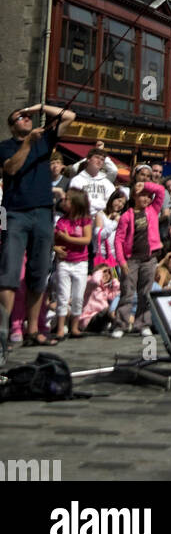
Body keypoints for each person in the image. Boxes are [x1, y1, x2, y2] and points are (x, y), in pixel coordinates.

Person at [0, 102, 77, 351]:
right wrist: (28, 143)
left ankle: (33, 329)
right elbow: (11, 168)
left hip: (44, 212)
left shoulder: (45, 141)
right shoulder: (6, 146)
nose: (25, 119)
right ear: (12, 126)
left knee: (38, 274)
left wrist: (40, 107)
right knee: (9, 274)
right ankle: (4, 332)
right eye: (20, 117)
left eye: (27, 117)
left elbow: (70, 116)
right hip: (15, 213)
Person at [113, 179, 166, 337]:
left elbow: (161, 191)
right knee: (127, 292)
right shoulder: (126, 216)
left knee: (146, 293)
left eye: (148, 196)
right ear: (134, 197)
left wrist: (145, 185)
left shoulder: (153, 210)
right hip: (131, 259)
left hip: (149, 258)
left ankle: (142, 323)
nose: (145, 199)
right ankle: (120, 324)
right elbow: (118, 240)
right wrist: (121, 261)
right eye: (142, 195)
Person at [52, 188, 93, 340]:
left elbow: (87, 240)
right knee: (62, 296)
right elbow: (55, 240)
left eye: (67, 199)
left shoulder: (85, 220)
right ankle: (61, 328)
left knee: (77, 296)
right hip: (64, 263)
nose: (64, 201)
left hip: (80, 263)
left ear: (76, 203)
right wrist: (56, 248)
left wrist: (68, 238)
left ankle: (74, 326)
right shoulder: (62, 221)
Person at [67, 144, 118, 219]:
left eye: (102, 159)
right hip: (82, 218)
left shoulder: (107, 183)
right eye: (97, 157)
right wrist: (100, 206)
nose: (99, 161)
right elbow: (77, 202)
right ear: (88, 159)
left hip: (102, 220)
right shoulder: (77, 180)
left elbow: (111, 203)